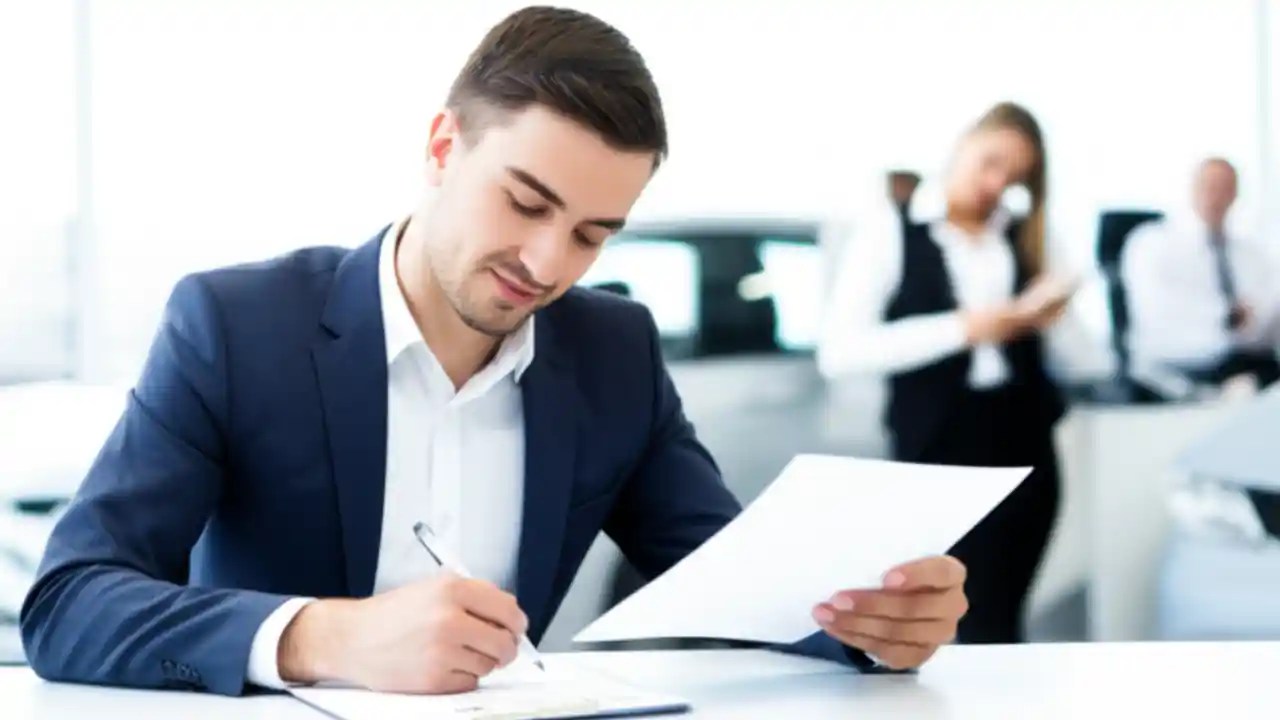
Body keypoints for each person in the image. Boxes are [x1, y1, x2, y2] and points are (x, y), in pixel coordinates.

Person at [20, 6, 968, 697]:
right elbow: (69, 604)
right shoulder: (236, 325)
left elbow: (738, 584)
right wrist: (322, 637)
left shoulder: (614, 353)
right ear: (442, 148)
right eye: (525, 203)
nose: (550, 263)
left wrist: (867, 624)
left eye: (595, 234)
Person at [817, 102, 1069, 644]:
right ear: (962, 145)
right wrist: (967, 328)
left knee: (1004, 619)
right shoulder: (892, 229)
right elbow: (840, 351)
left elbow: (1083, 355)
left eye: (1015, 177)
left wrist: (1048, 310)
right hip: (938, 447)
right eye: (991, 163)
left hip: (1026, 443)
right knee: (955, 619)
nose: (997, 183)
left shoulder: (1023, 234)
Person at [1122, 158, 1280, 399]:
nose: (1216, 196)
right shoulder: (1152, 244)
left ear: (1236, 194)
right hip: (1182, 365)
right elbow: (1159, 313)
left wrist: (1251, 321)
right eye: (1209, 186)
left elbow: (1266, 316)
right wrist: (1226, 317)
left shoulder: (1253, 256)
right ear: (1192, 189)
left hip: (1248, 364)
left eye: (1225, 188)